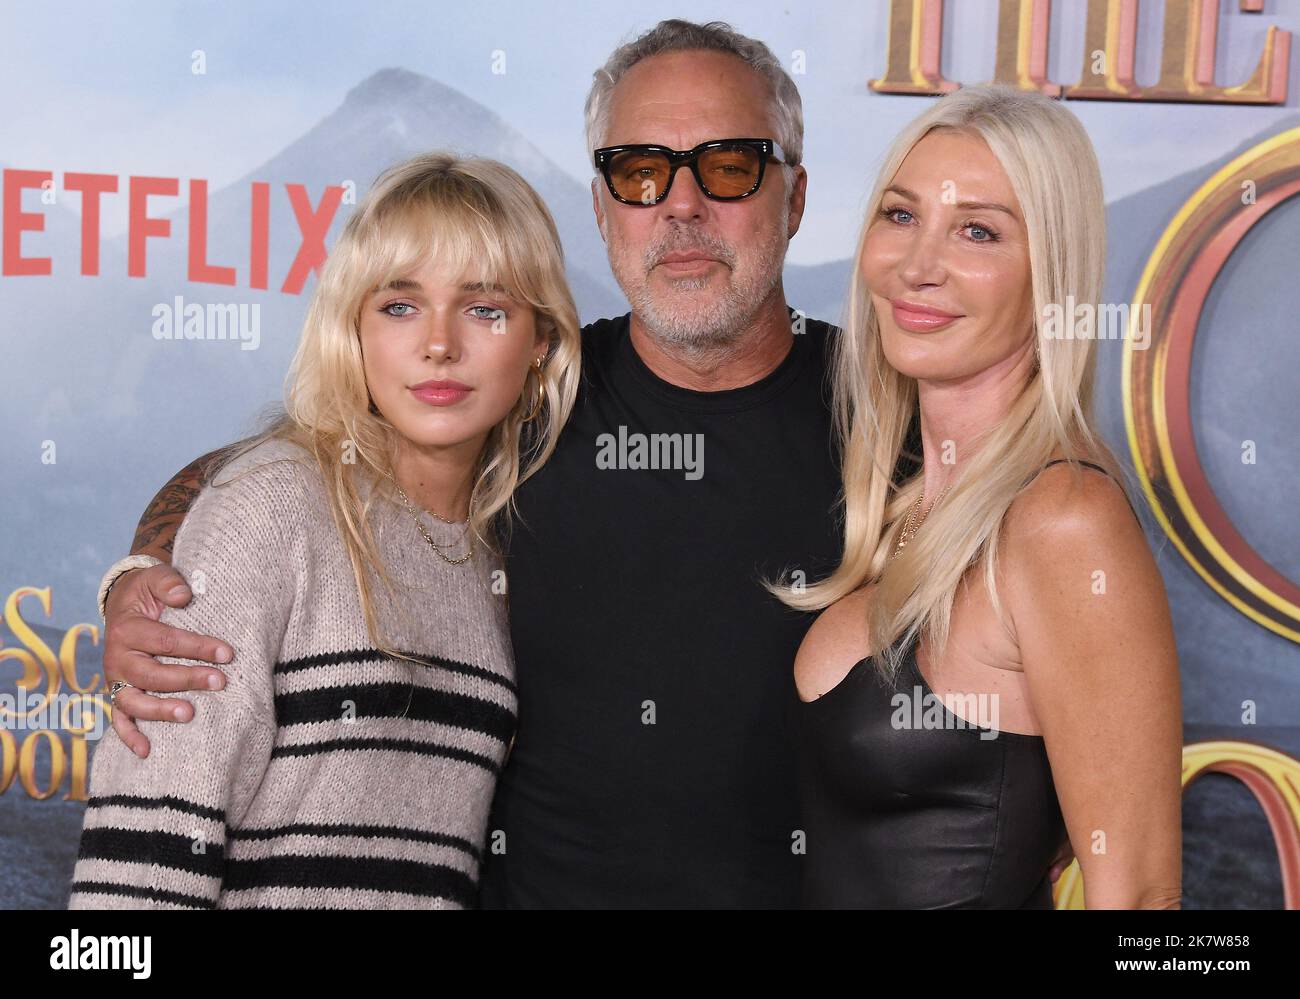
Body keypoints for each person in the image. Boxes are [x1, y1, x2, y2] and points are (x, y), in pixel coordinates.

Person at [91, 22, 1075, 908]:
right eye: (640, 170)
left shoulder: (904, 419)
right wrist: (151, 579)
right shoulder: (526, 390)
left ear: (796, 196)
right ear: (603, 207)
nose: (681, 205)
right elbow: (284, 471)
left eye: (728, 165)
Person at [69, 152, 581, 908]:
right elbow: (140, 863)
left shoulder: (502, 547)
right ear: (354, 329)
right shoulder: (274, 504)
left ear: (540, 340)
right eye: (400, 306)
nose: (439, 343)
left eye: (485, 307)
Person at [784, 85, 1183, 908]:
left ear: (1051, 277)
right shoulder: (912, 509)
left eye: (978, 231)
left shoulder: (1064, 521)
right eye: (900, 215)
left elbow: (1142, 903)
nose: (918, 265)